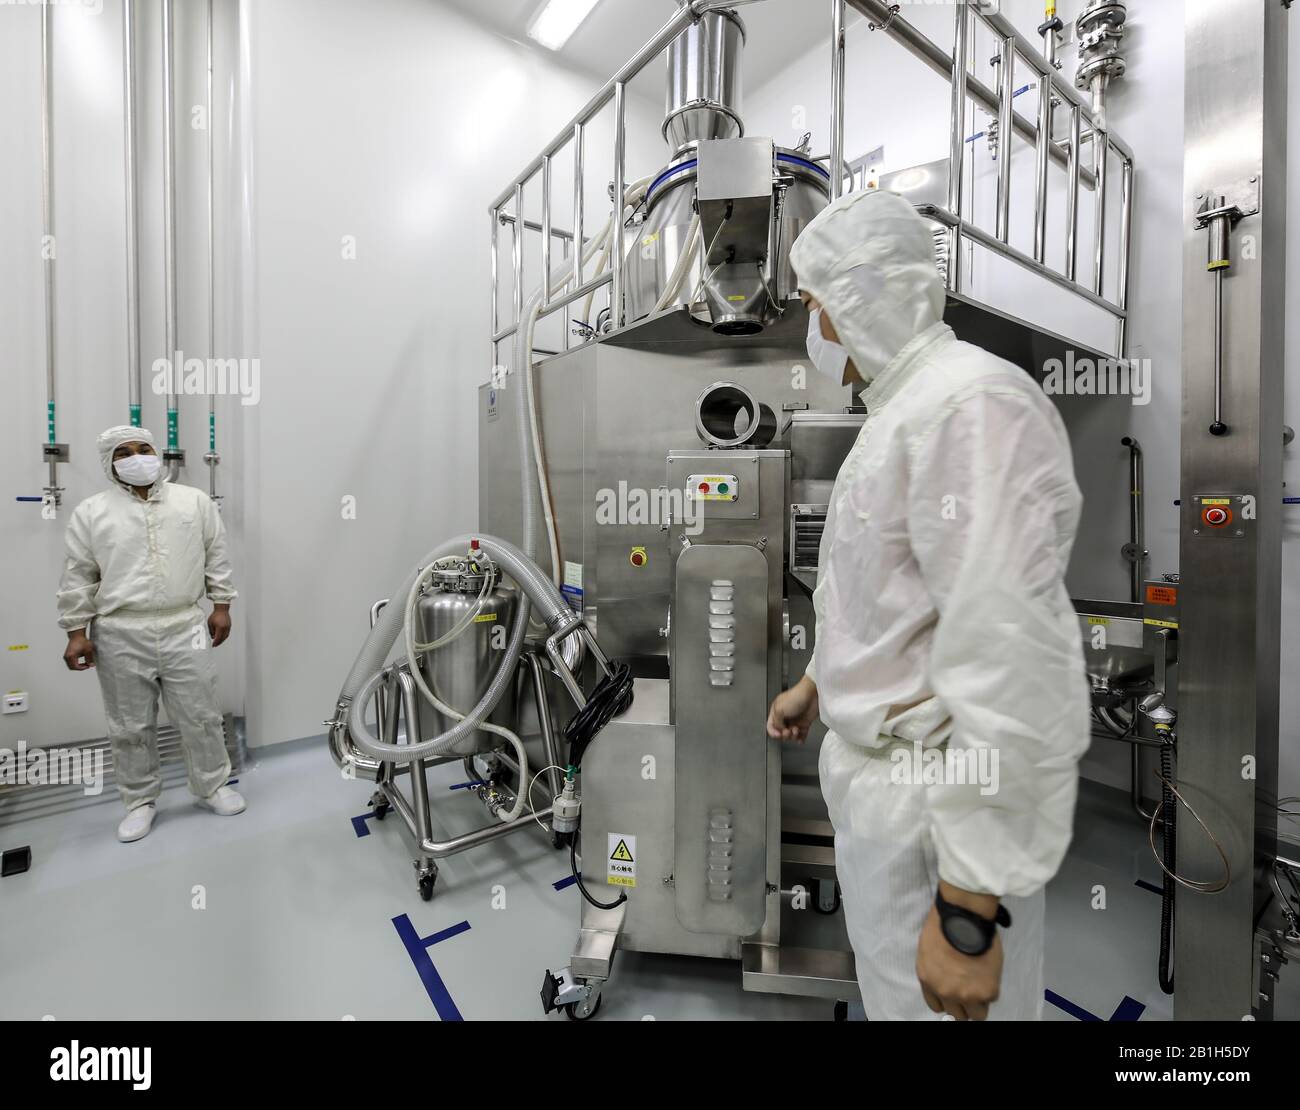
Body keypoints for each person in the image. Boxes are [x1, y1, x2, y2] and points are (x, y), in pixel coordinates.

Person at [767, 190, 1088, 1020]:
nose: (819, 330)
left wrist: (967, 913)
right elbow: (879, 597)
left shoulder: (969, 406)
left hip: (931, 813)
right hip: (885, 801)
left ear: (862, 295)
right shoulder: (899, 415)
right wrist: (816, 684)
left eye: (819, 306)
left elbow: (1011, 659)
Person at [56, 425, 246, 843]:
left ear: (157, 454)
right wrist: (76, 630)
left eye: (143, 449)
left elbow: (216, 553)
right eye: (124, 452)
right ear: (110, 463)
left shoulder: (193, 502)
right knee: (130, 723)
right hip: (120, 629)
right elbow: (79, 576)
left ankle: (212, 785)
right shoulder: (92, 512)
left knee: (200, 712)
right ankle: (140, 801)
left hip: (184, 622)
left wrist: (221, 606)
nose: (136, 458)